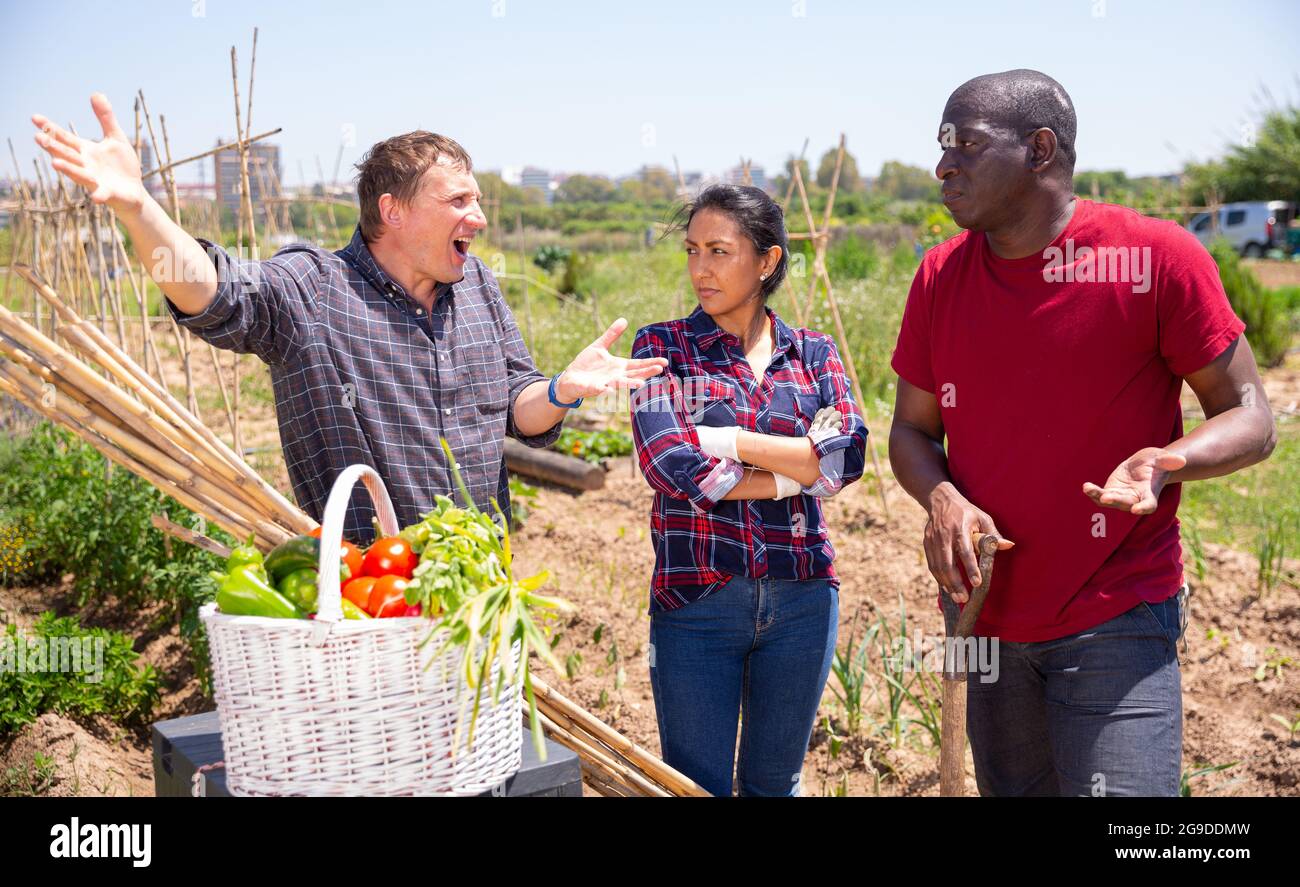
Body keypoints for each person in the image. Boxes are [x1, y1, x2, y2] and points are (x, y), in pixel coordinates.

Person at [32, 94, 667, 541]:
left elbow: (518, 414)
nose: (479, 217)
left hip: (480, 588)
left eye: (478, 200)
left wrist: (560, 390)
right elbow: (212, 293)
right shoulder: (312, 291)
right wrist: (139, 207)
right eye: (459, 201)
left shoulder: (476, 284)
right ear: (393, 211)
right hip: (369, 600)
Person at [888, 70, 1277, 796]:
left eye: (966, 144)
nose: (943, 165)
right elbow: (910, 431)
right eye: (940, 146)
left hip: (1118, 616)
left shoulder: (1156, 259)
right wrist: (941, 496)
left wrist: (1169, 459)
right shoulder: (940, 275)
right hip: (985, 616)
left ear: (1040, 150)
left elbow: (1253, 416)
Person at [629, 184, 869, 796]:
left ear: (766, 261)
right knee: (694, 786)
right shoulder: (662, 350)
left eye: (718, 250)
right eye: (691, 251)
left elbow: (844, 461)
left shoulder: (812, 353)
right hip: (700, 597)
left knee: (775, 784)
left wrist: (729, 439)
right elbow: (672, 464)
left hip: (803, 597)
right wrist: (799, 472)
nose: (700, 269)